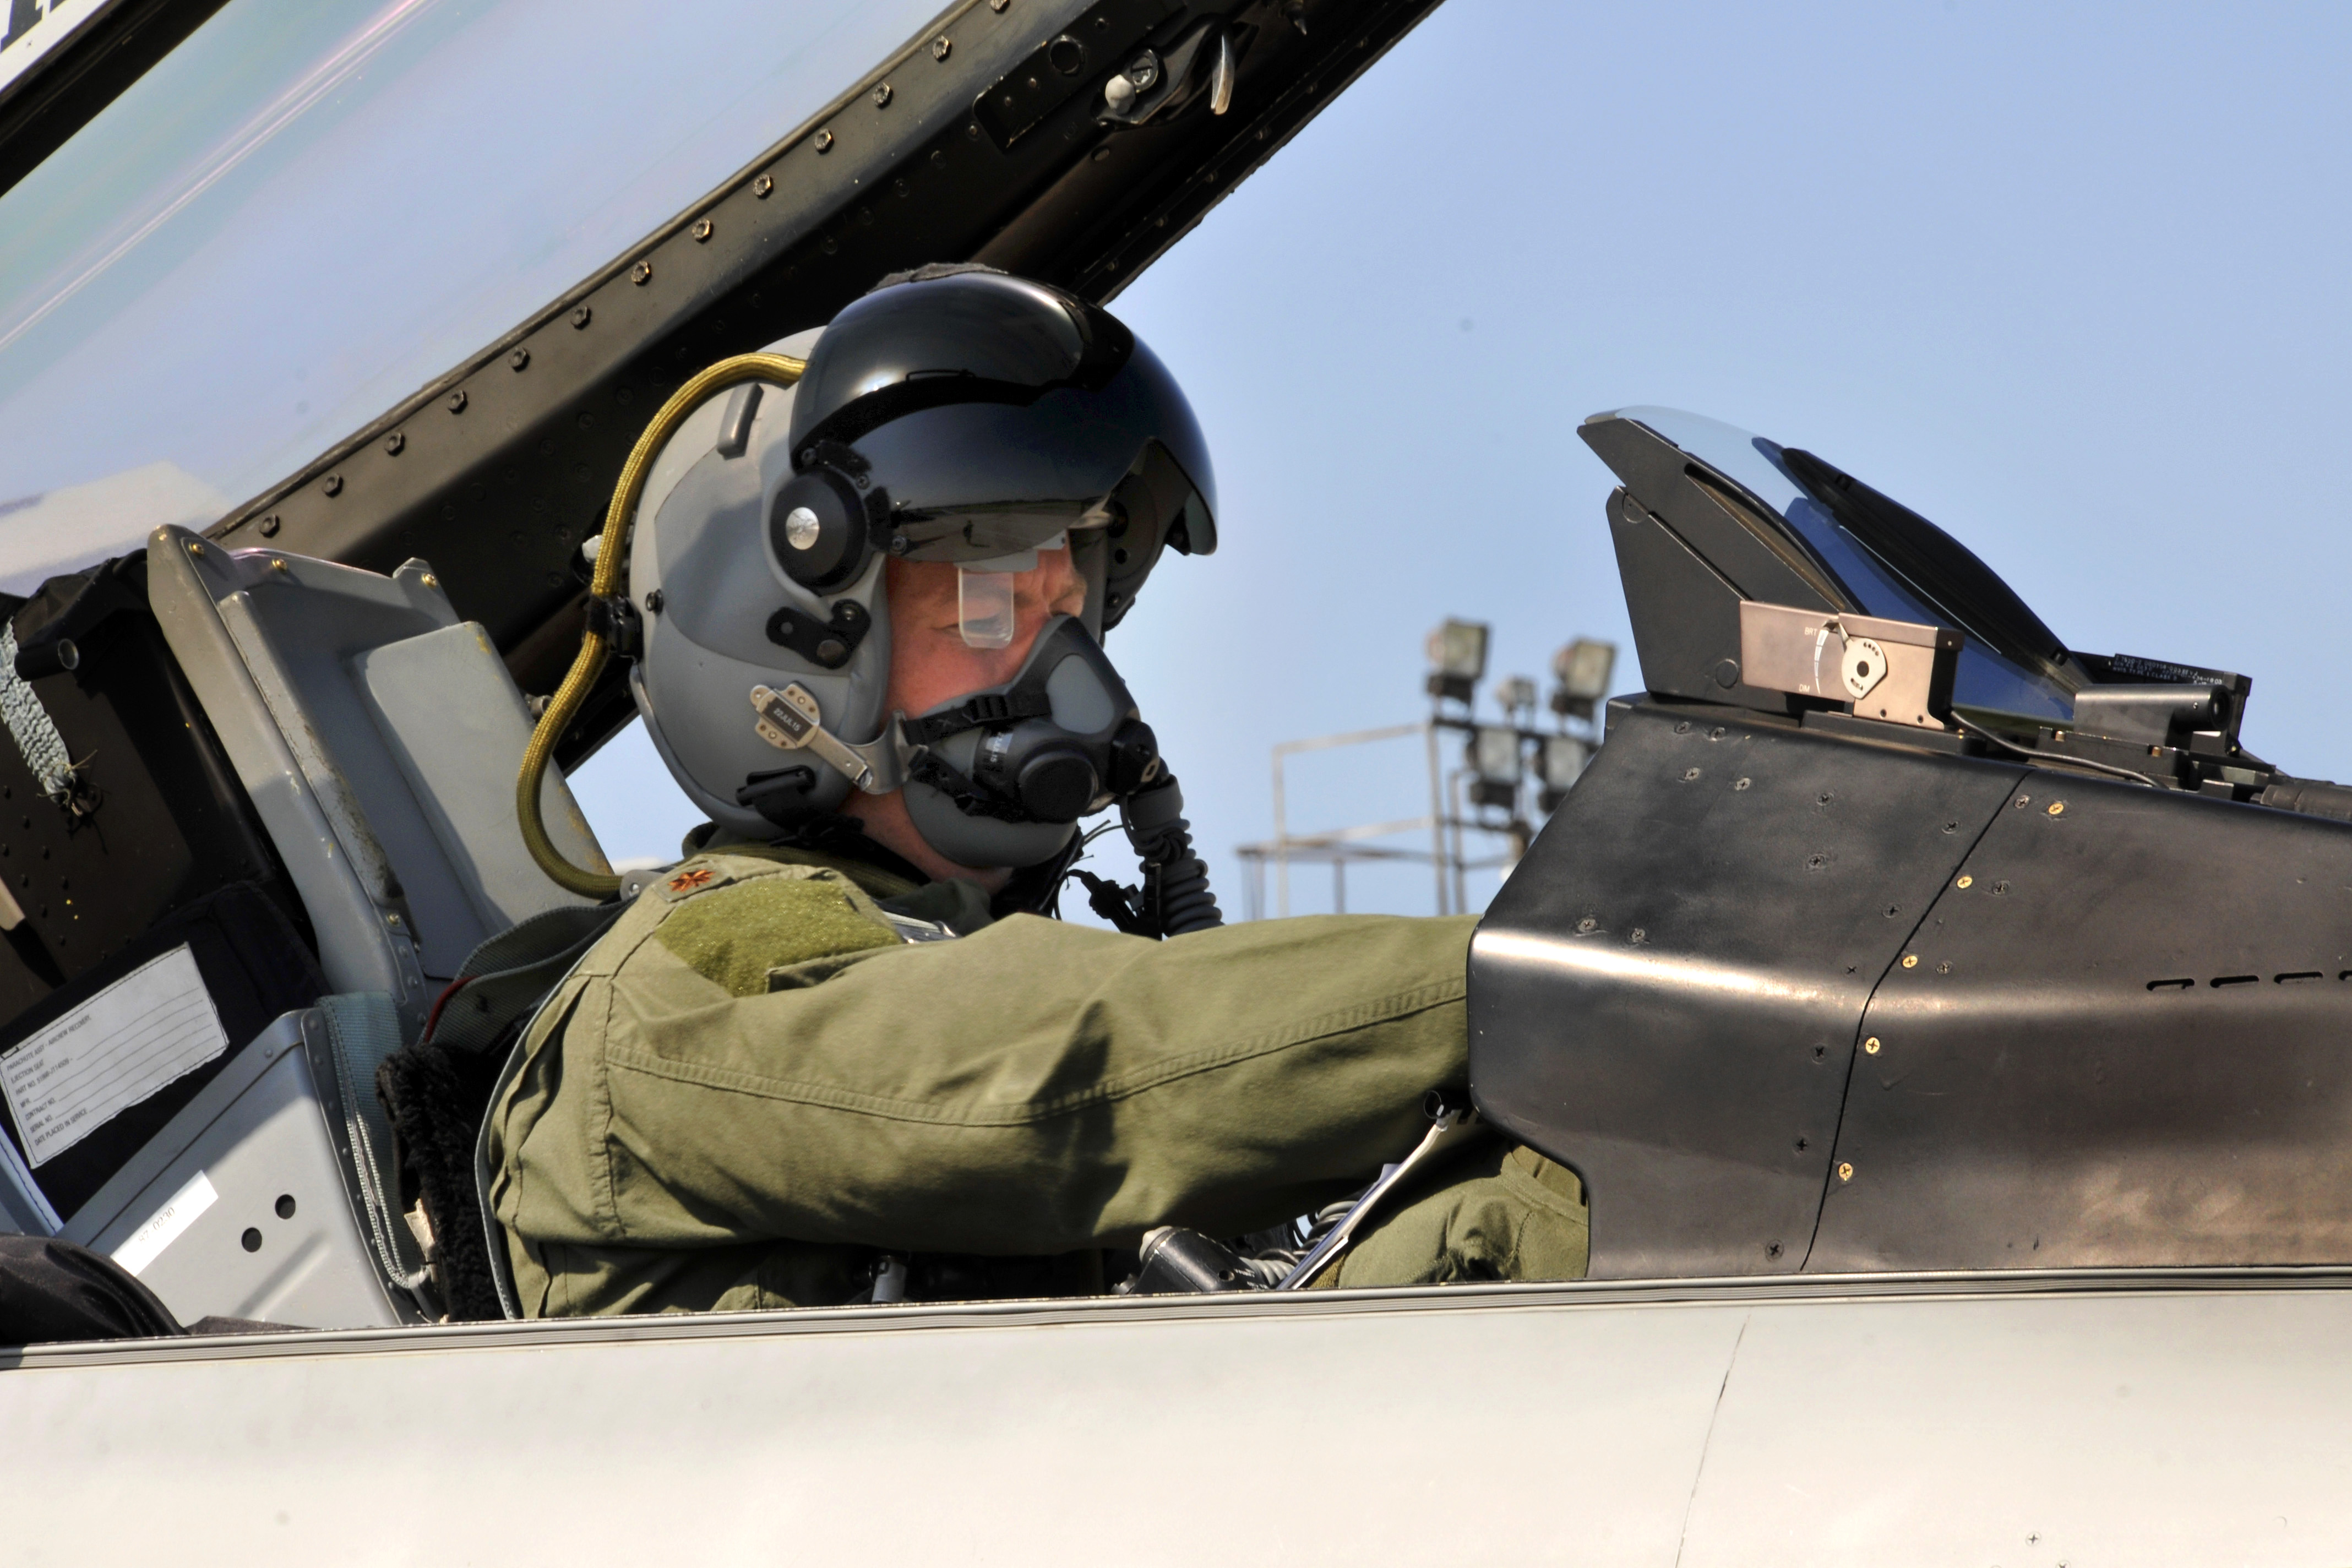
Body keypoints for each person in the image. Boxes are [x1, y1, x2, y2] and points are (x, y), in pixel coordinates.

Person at [483, 268, 1588, 1317]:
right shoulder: (697, 984)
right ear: (793, 674)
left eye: (1068, 607)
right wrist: (1556, 977)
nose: (1069, 673)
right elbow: (1070, 1069)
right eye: (984, 612)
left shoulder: (932, 940)